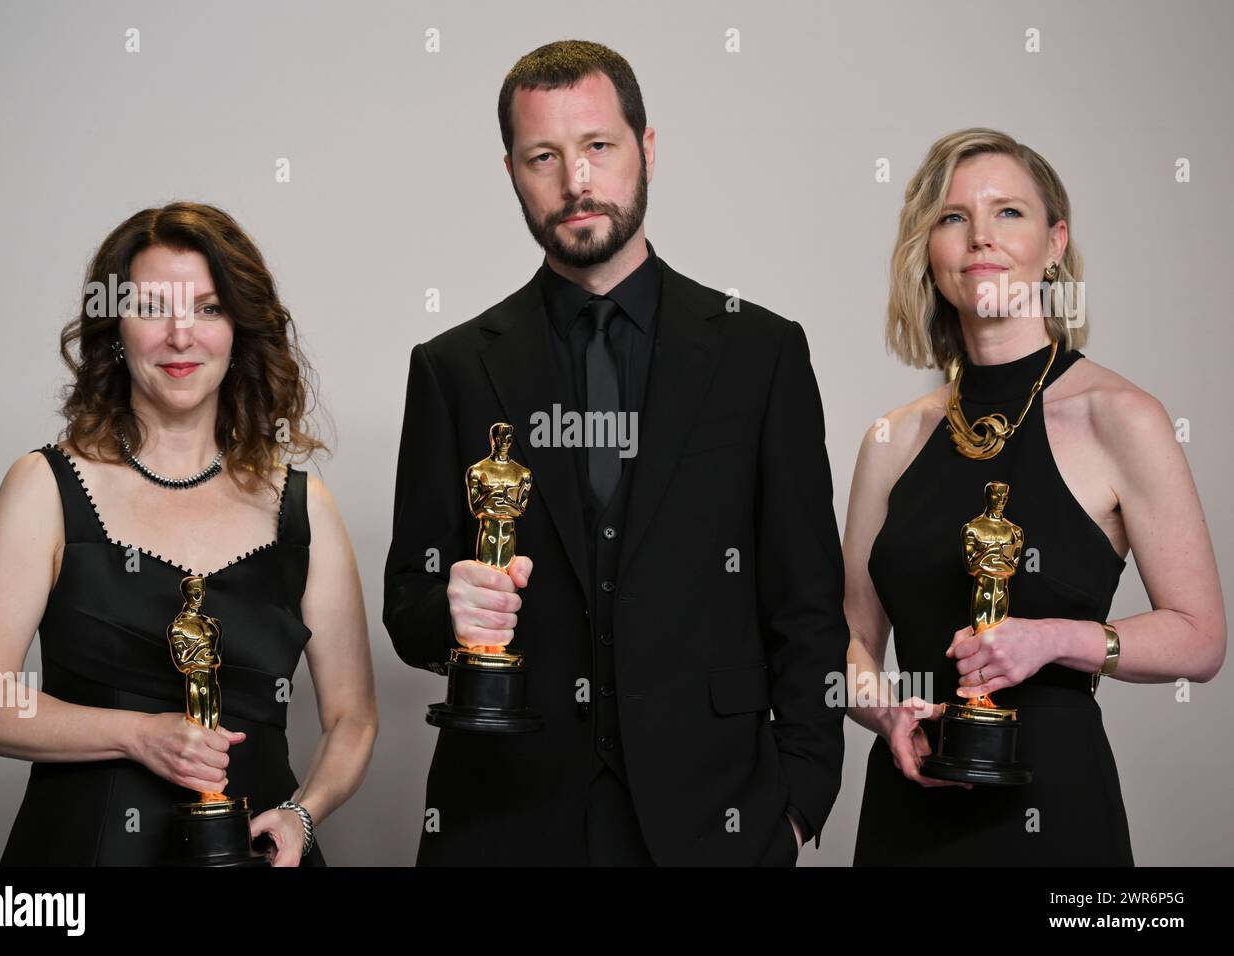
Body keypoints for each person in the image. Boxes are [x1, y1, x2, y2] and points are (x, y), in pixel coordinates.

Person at [383, 40, 847, 865]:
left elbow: (806, 601)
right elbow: (410, 609)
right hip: (501, 824)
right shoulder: (452, 368)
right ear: (511, 172)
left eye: (599, 147)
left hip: (717, 823)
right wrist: (446, 611)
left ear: (648, 148)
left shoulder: (760, 352)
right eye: (544, 157)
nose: (577, 182)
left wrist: (801, 799)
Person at [0, 202, 377, 866]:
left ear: (239, 330)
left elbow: (353, 718)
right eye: (152, 307)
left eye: (208, 308)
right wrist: (138, 735)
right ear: (116, 330)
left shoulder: (305, 507)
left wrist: (302, 814)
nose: (181, 335)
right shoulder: (44, 487)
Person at [843, 128, 1226, 865]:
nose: (981, 236)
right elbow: (850, 641)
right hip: (907, 807)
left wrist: (1056, 639)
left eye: (1008, 212)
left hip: (1055, 814)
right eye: (953, 217)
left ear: (1056, 243)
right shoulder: (890, 441)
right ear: (929, 248)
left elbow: (1202, 637)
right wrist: (885, 711)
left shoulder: (1122, 417)